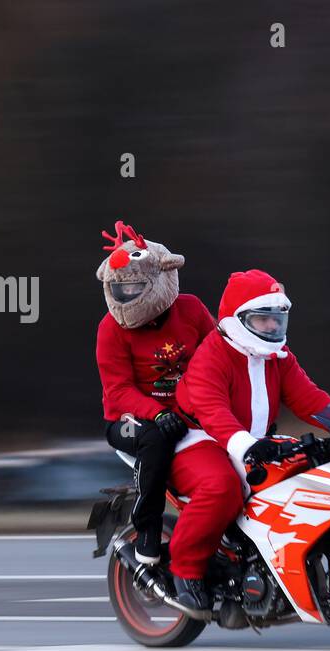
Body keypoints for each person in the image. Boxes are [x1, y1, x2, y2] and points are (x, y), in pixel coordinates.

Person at [166, 269, 330, 611]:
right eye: (263, 319)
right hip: (197, 440)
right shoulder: (211, 357)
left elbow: (310, 399)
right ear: (238, 320)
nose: (273, 328)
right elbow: (213, 412)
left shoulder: (278, 358)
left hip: (249, 440)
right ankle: (184, 570)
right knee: (222, 486)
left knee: (309, 469)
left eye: (277, 320)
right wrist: (247, 445)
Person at [94, 220, 214, 564]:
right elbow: (117, 391)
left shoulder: (191, 309)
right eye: (121, 290)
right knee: (154, 438)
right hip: (129, 420)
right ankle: (146, 527)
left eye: (135, 288)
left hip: (188, 410)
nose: (126, 297)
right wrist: (158, 413)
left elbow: (215, 357)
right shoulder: (109, 329)